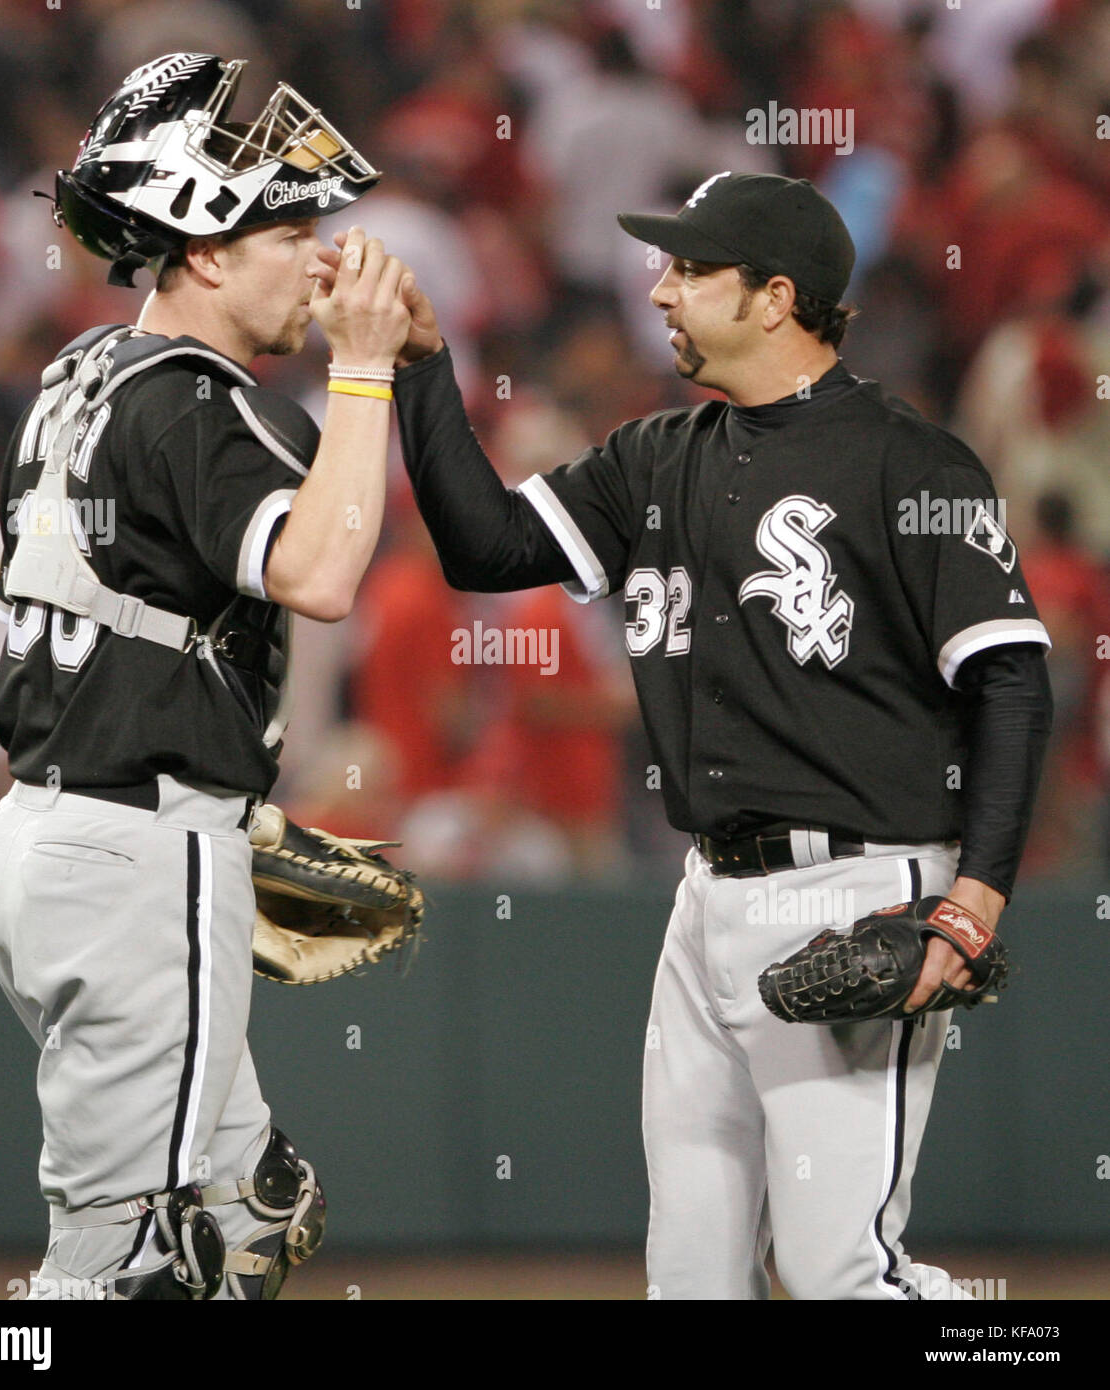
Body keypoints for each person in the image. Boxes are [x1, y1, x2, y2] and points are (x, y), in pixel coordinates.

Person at [335, 172, 1055, 1299]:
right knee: (691, 1276)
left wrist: (973, 905)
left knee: (837, 1277)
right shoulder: (656, 454)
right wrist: (425, 368)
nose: (658, 288)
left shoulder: (911, 464)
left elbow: (1011, 684)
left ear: (775, 297)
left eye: (688, 269)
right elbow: (482, 546)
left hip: (859, 887)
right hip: (705, 897)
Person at [0, 53, 411, 1300]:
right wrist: (367, 365)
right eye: (290, 228)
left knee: (250, 1216)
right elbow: (323, 571)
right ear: (207, 251)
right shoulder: (199, 405)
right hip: (133, 856)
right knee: (115, 1274)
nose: (321, 262)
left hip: (56, 839)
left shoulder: (76, 379)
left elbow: (135, 616)